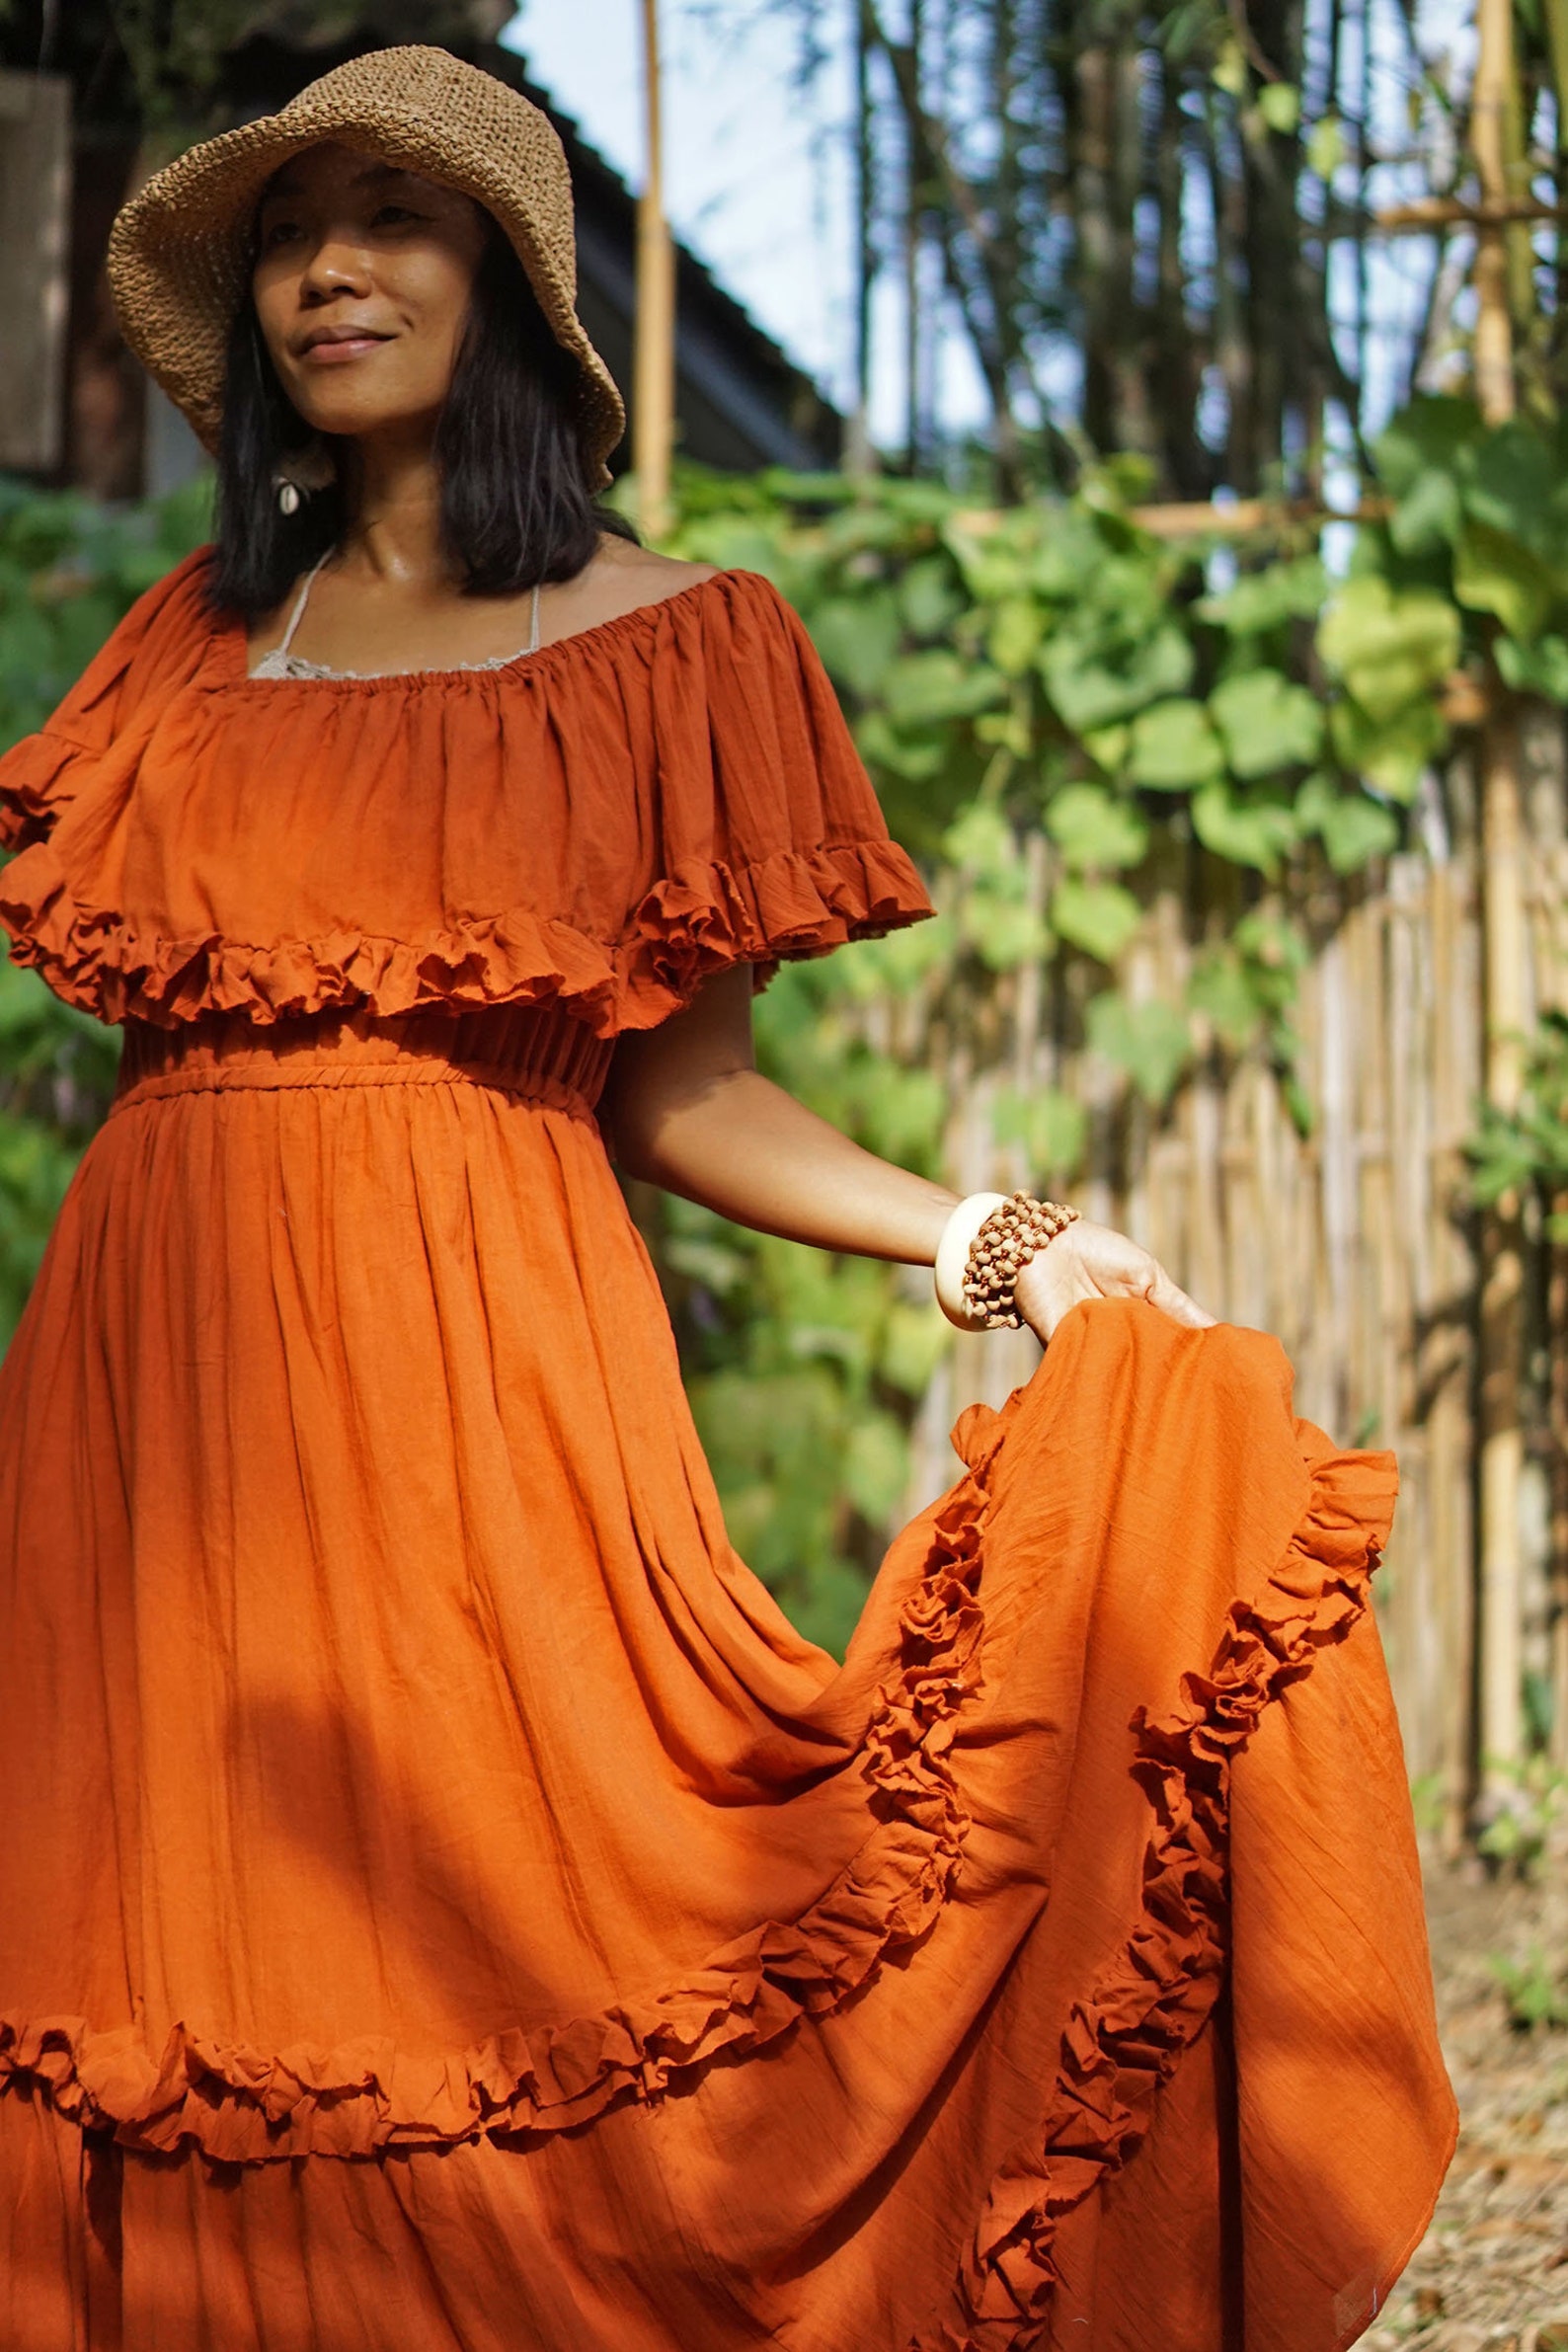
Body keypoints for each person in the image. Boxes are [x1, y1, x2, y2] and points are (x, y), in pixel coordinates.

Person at [0, 44, 1453, 2352]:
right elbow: (158, 1062)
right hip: (145, 1401)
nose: (325, 272)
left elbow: (686, 1102)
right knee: (152, 1942)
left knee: (524, 1916)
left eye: (389, 217)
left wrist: (987, 1238)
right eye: (284, 233)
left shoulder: (672, 642)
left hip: (478, 1379)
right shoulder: (184, 648)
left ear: (507, 279)